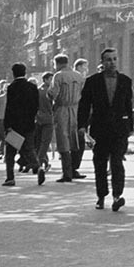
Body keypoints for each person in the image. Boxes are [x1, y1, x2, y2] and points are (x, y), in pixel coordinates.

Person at [77, 47, 134, 212]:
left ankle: (117, 196)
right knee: (100, 163)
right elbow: (84, 105)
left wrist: (130, 126)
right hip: (99, 129)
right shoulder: (92, 81)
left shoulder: (125, 80)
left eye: (115, 59)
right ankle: (101, 196)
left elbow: (127, 105)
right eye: (108, 59)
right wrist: (82, 126)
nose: (112, 62)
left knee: (117, 162)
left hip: (119, 129)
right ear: (102, 62)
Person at [1, 64, 42, 187]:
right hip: (29, 123)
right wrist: (31, 118)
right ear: (25, 72)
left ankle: (10, 178)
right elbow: (36, 106)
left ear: (13, 73)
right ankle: (38, 167)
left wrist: (7, 125)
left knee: (10, 152)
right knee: (29, 148)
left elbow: (9, 108)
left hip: (14, 125)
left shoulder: (12, 88)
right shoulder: (32, 87)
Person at [48, 54, 84, 182]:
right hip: (76, 109)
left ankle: (67, 173)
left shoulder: (58, 76)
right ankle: (74, 169)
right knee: (74, 140)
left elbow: (53, 93)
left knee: (63, 141)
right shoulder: (78, 76)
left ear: (57, 64)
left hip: (62, 109)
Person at [34, 71, 55, 171]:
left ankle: (45, 162)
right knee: (45, 142)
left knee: (38, 142)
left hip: (38, 119)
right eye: (51, 79)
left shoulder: (37, 90)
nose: (52, 81)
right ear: (45, 80)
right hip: (49, 118)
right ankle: (39, 162)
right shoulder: (50, 91)